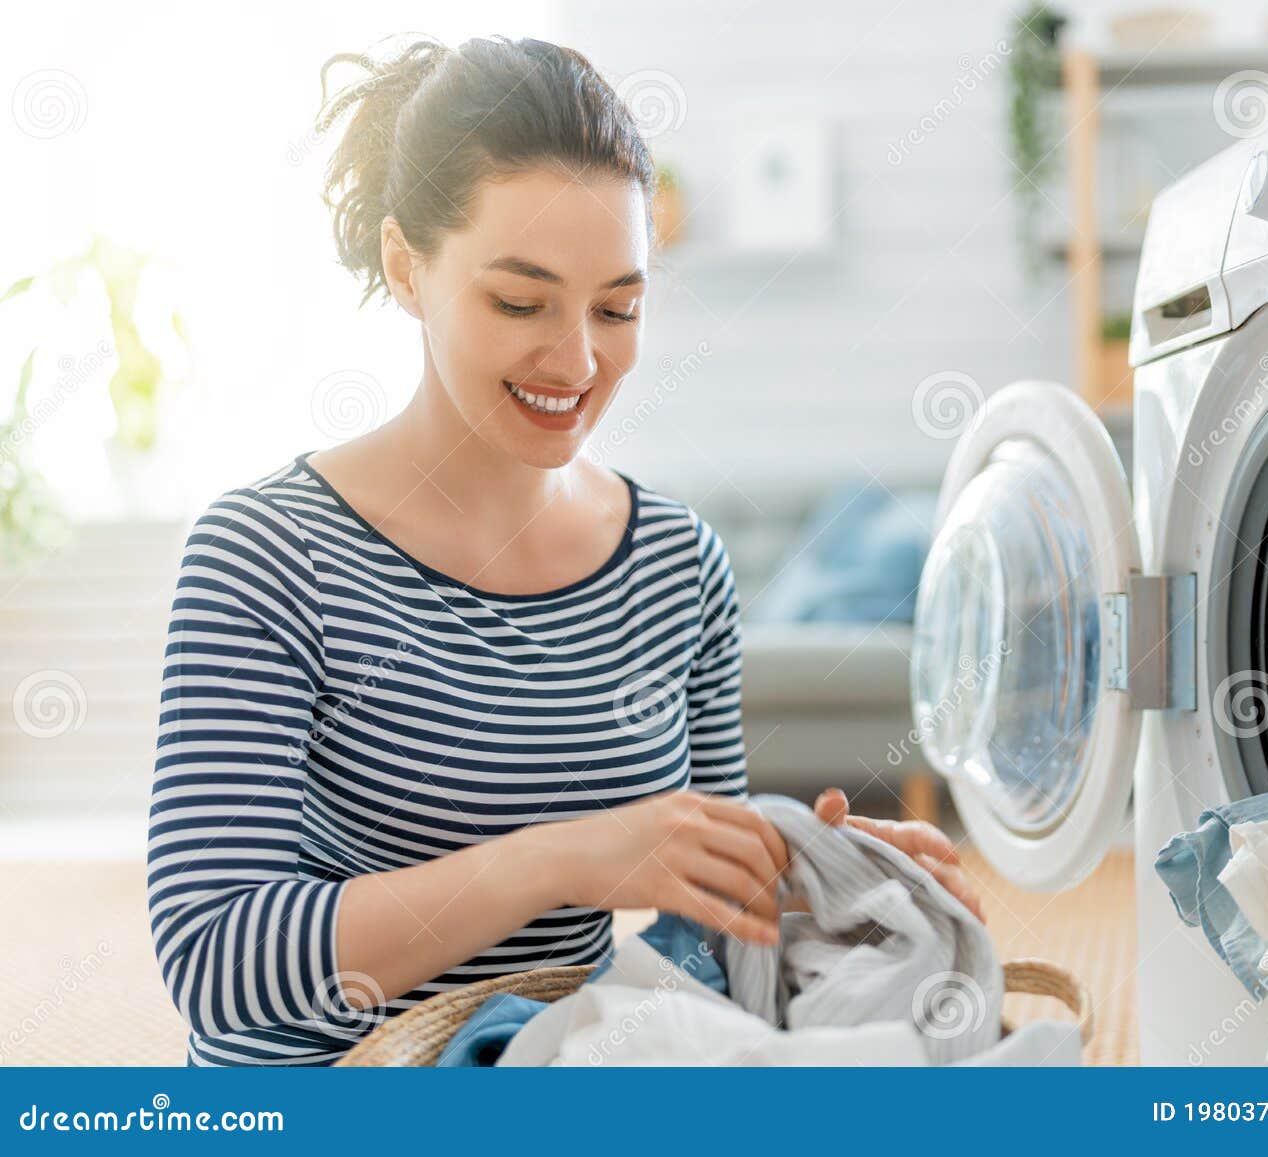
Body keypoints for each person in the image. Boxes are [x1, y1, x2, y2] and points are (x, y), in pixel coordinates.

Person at [145, 34, 982, 1067]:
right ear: (408, 268)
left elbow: (713, 927)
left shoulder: (676, 564)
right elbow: (214, 957)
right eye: (519, 301)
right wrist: (560, 860)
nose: (580, 358)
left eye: (619, 307)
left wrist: (824, 875)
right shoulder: (266, 553)